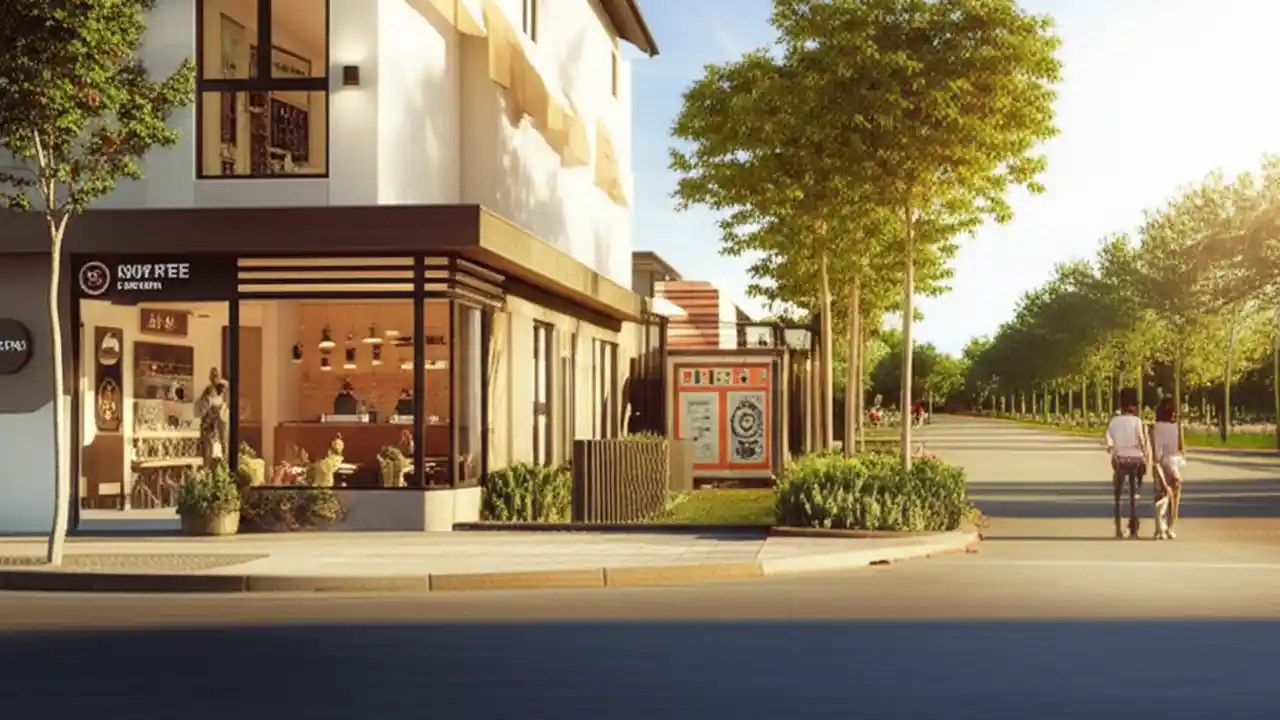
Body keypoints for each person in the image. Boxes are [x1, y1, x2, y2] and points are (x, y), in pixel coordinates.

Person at [1105, 389, 1149, 539]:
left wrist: (1112, 448)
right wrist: (1146, 456)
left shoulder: (1114, 421)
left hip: (1120, 458)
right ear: (1134, 406)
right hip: (1136, 459)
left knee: (1117, 494)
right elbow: (1141, 440)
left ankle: (1118, 526)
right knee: (1134, 493)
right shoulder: (1137, 421)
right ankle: (1133, 526)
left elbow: (1108, 439)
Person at [1150, 396, 1186, 540]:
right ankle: (1170, 525)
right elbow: (1182, 447)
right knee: (1175, 492)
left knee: (1161, 494)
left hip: (1159, 462)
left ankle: (1160, 527)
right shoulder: (1177, 426)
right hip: (1172, 461)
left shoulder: (1154, 427)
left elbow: (1153, 449)